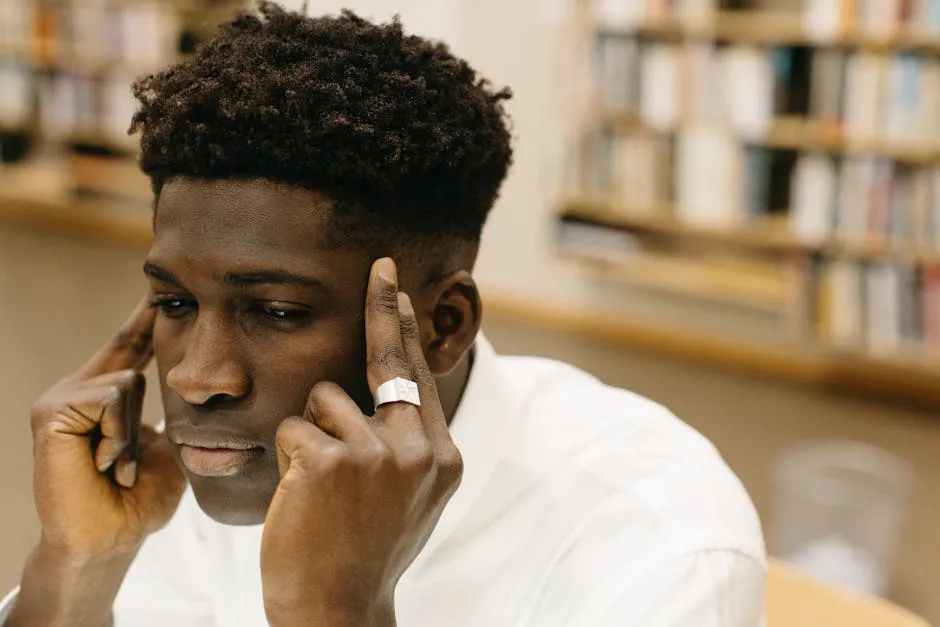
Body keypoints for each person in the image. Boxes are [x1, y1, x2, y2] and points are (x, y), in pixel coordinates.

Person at [2, 3, 765, 626]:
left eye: (274, 310)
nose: (198, 378)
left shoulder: (663, 552)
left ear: (442, 325)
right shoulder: (205, 460)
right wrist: (77, 566)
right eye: (174, 301)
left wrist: (335, 609)